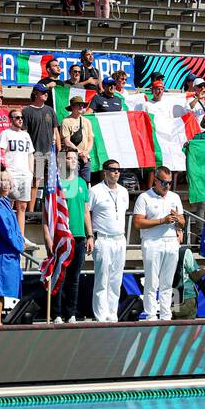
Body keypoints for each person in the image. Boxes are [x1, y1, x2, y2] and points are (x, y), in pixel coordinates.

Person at [133, 166, 184, 321]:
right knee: (151, 282)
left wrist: (178, 220)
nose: (167, 186)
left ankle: (166, 315)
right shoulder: (144, 197)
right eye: (163, 182)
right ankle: (150, 315)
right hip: (152, 242)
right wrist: (162, 220)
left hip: (170, 242)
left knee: (167, 283)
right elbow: (137, 223)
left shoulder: (174, 197)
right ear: (155, 180)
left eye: (169, 183)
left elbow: (182, 222)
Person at [88, 157, 130, 322]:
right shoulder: (95, 191)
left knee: (116, 279)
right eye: (113, 169)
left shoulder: (124, 191)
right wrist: (90, 236)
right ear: (105, 171)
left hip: (119, 239)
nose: (116, 173)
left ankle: (112, 314)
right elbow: (87, 214)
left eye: (118, 170)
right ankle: (100, 316)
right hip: (103, 239)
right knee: (102, 279)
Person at [0, 169, 26, 326]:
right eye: (3, 180)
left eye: (9, 180)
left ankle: (2, 321)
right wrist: (18, 244)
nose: (7, 183)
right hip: (2, 249)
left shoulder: (4, 201)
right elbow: (5, 228)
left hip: (10, 249)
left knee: (6, 287)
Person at [55, 149, 91, 322]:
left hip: (79, 236)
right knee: (60, 276)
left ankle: (71, 313)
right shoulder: (56, 183)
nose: (72, 161)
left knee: (74, 278)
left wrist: (90, 235)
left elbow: (85, 212)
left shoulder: (82, 183)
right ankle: (57, 313)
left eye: (74, 158)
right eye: (68, 158)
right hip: (62, 236)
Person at [22, 84, 60, 211]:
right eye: (43, 92)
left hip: (50, 152)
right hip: (35, 153)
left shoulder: (50, 110)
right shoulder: (26, 111)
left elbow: (55, 130)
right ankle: (31, 211)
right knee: (35, 183)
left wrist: (58, 150)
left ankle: (50, 212)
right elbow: (24, 134)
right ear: (35, 93)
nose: (46, 94)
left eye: (46, 92)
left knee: (52, 183)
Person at [0, 108, 36, 235]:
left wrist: (31, 172)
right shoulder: (5, 134)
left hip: (25, 174)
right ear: (11, 120)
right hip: (11, 173)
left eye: (21, 117)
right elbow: (1, 153)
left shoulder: (26, 135)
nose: (20, 119)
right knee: (7, 204)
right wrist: (5, 172)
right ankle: (6, 234)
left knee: (22, 207)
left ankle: (20, 236)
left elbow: (31, 154)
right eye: (17, 117)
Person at [59, 93, 94, 182]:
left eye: (82, 105)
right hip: (71, 158)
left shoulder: (87, 121)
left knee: (86, 182)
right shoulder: (66, 121)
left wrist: (86, 152)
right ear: (72, 107)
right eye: (78, 105)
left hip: (86, 157)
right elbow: (67, 141)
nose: (81, 107)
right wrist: (80, 154)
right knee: (70, 182)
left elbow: (91, 139)